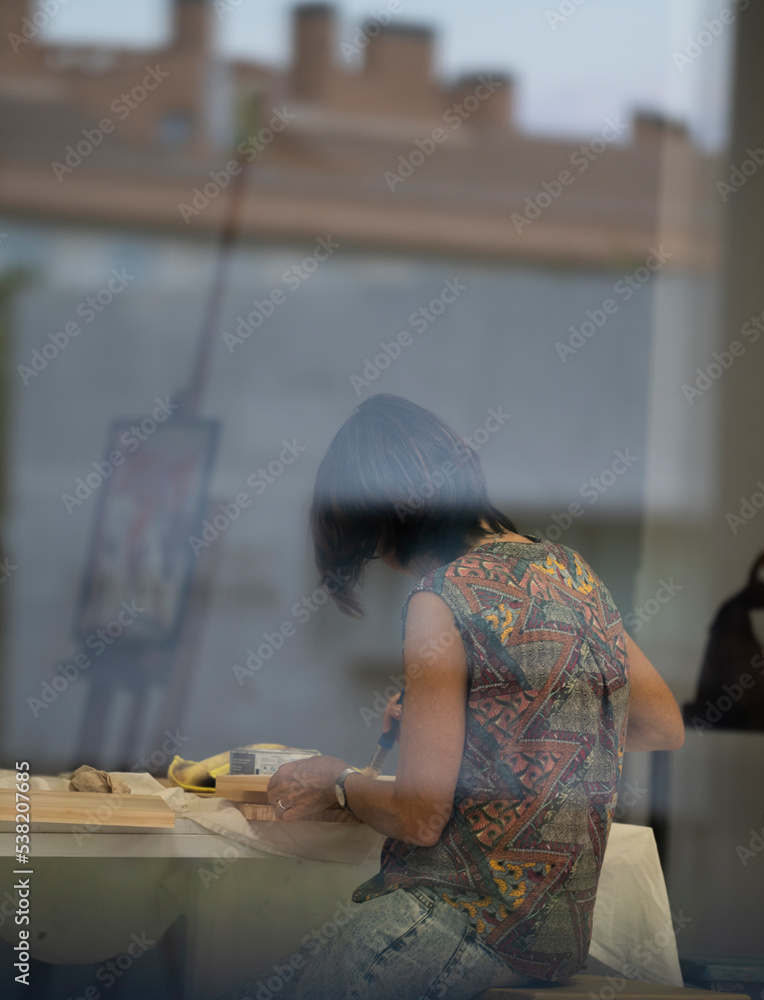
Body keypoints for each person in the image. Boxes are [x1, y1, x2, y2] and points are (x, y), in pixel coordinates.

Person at [222, 394, 684, 1000]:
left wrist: (336, 780)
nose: (386, 565)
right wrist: (479, 724)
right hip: (549, 943)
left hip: (447, 931)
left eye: (370, 546)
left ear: (387, 518)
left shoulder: (441, 598)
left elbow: (419, 816)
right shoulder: (574, 574)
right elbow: (659, 725)